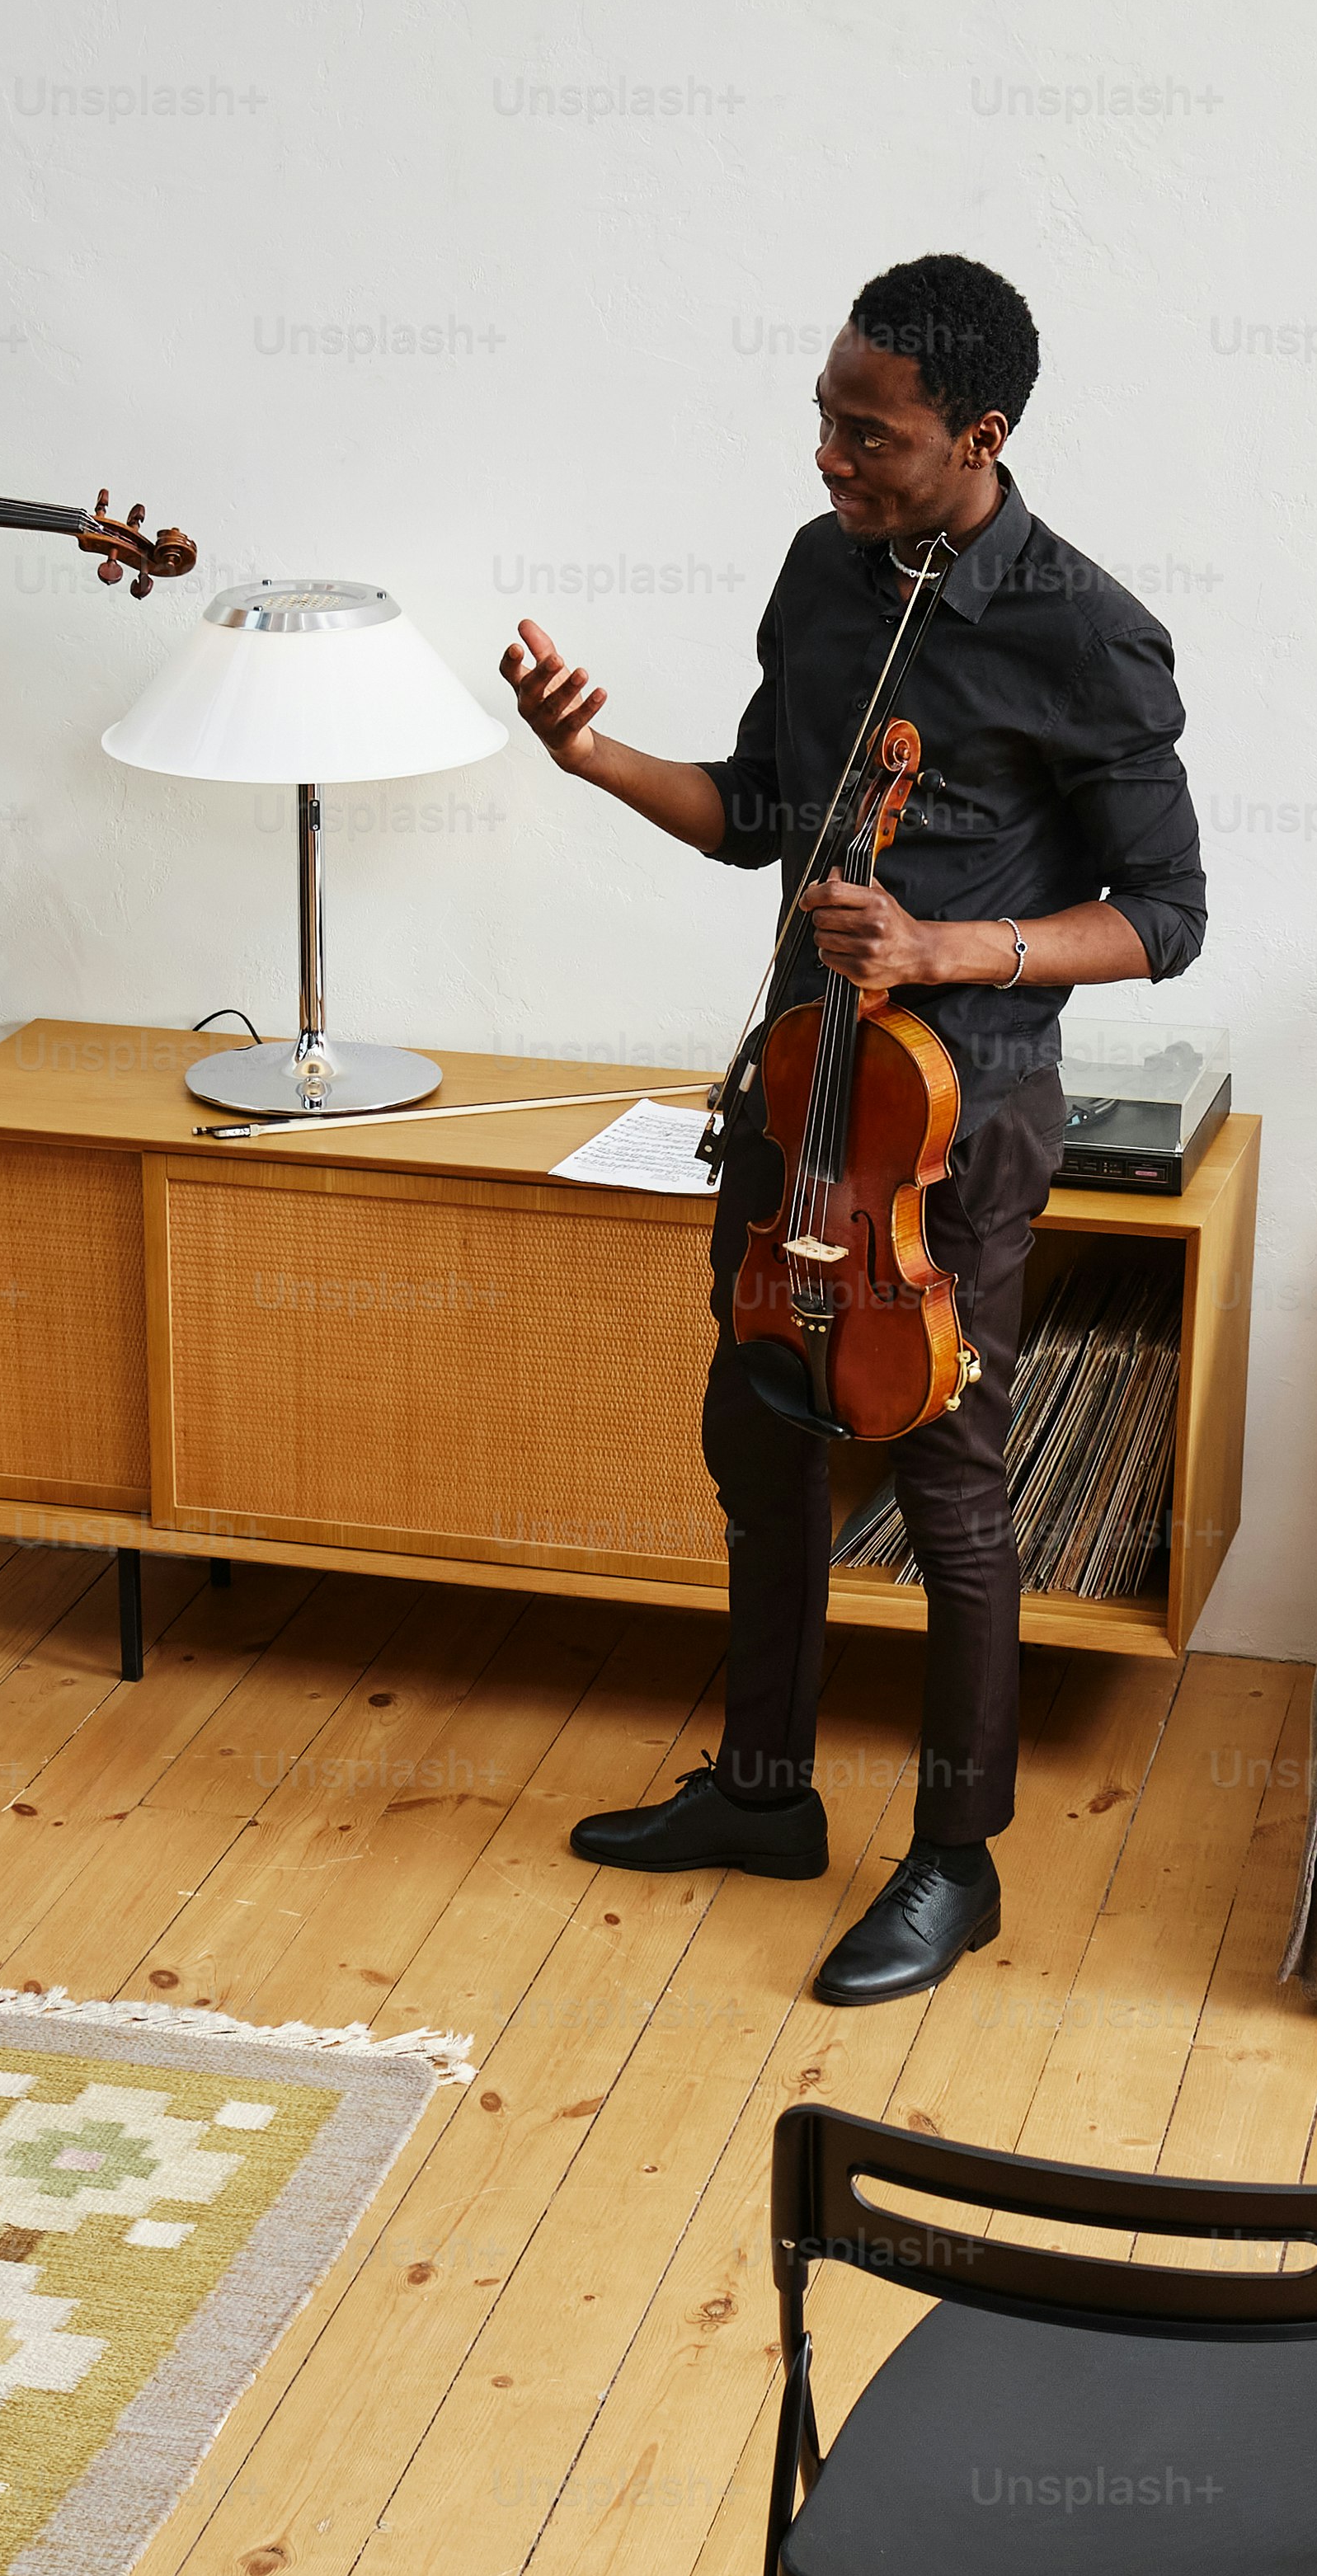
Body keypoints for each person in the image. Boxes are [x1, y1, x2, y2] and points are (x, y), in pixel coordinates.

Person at [501, 254, 1207, 2005]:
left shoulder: (1087, 632)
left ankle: (957, 1859)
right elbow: (759, 810)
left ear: (979, 437)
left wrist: (944, 947)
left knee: (948, 1479)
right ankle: (764, 1792)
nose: (828, 456)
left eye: (868, 433)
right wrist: (593, 759)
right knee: (759, 1431)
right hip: (799, 1081)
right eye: (823, 418)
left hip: (955, 1121)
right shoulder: (822, 573)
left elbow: (1166, 915)